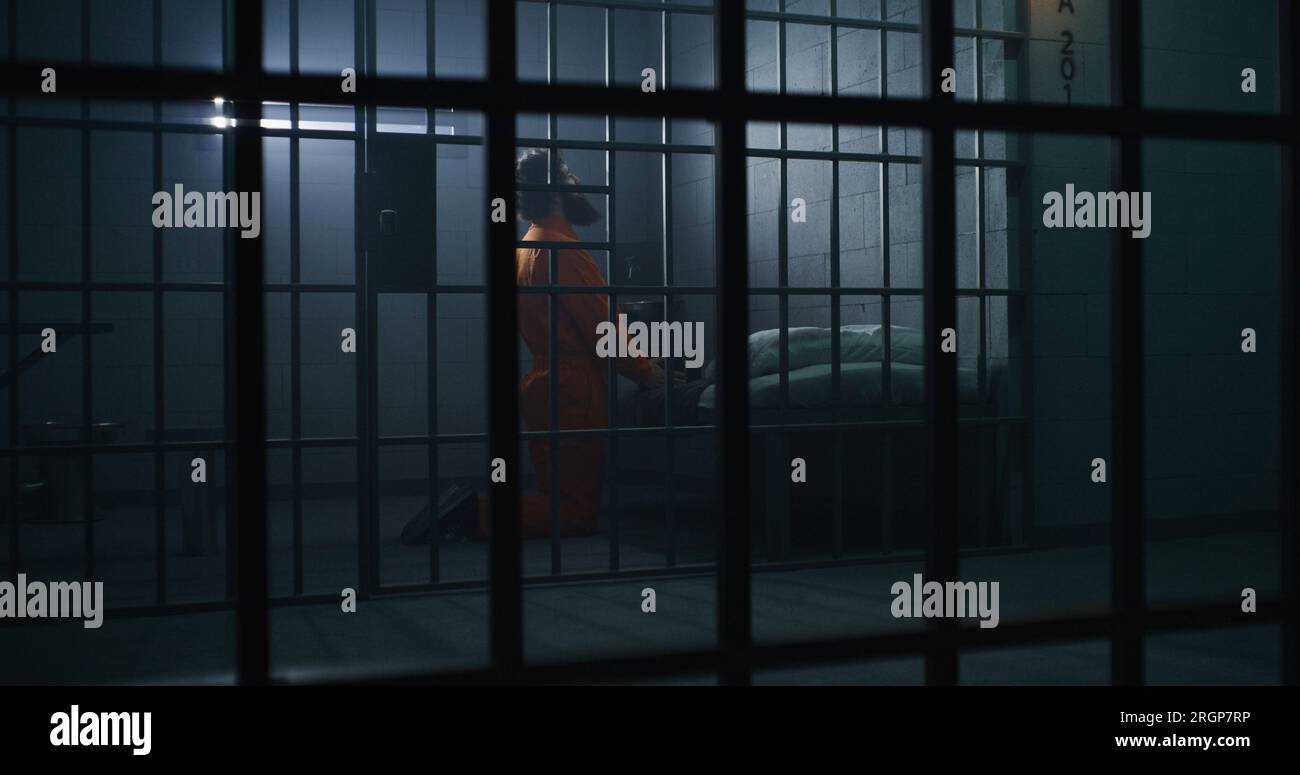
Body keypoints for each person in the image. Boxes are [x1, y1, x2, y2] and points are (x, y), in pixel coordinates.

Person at [401, 149, 677, 544]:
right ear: (550, 193)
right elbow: (603, 330)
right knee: (575, 513)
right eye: (567, 176)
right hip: (575, 390)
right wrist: (648, 372)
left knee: (559, 497)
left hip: (544, 384)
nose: (576, 183)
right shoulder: (562, 250)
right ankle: (473, 513)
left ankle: (471, 511)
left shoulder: (525, 248)